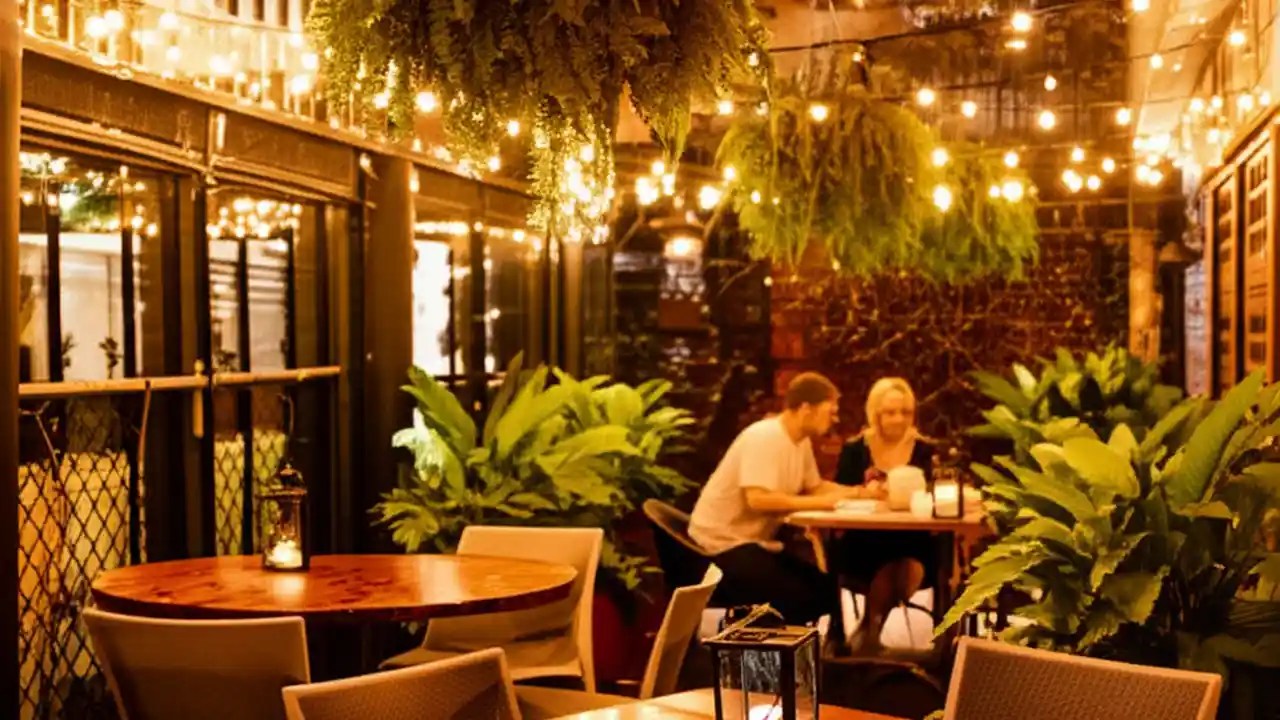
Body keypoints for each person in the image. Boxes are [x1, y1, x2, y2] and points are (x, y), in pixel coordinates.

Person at [688, 372, 861, 625]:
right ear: (805, 409)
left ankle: (816, 653)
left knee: (823, 588)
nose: (834, 418)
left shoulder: (799, 442)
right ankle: (770, 653)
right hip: (719, 547)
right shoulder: (765, 437)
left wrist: (859, 493)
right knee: (800, 595)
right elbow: (758, 500)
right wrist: (829, 503)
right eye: (830, 410)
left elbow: (815, 487)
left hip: (752, 544)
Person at [834, 377, 936, 652]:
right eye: (890, 412)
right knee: (877, 555)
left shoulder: (924, 449)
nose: (898, 419)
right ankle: (866, 629)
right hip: (864, 537)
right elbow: (840, 490)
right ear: (875, 413)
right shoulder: (856, 449)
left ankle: (871, 624)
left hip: (913, 538)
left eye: (905, 412)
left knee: (909, 558)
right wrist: (865, 492)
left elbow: (934, 493)